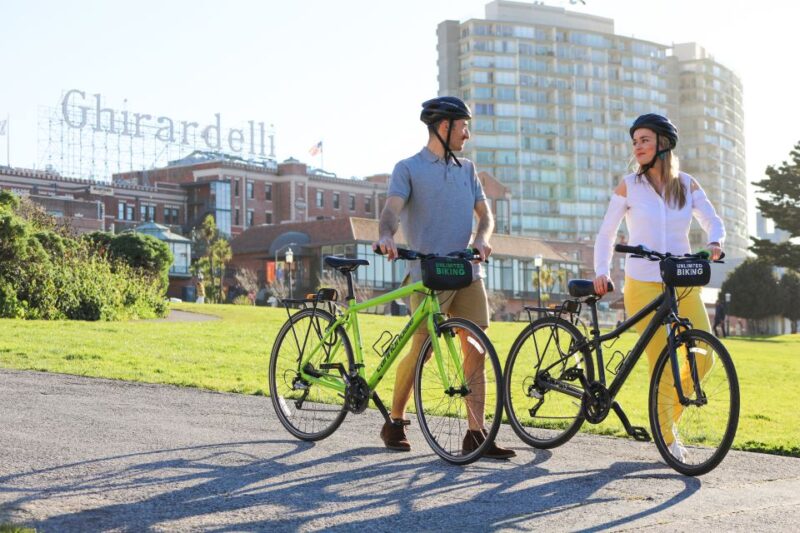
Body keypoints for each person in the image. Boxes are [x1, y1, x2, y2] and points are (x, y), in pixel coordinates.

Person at [373, 96, 515, 459]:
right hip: (428, 273)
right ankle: (395, 420)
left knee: (477, 348)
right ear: (443, 126)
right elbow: (391, 210)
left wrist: (482, 240)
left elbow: (486, 216)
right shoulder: (408, 168)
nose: (467, 133)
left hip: (466, 271)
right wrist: (387, 235)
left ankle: (475, 433)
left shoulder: (468, 170)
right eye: (463, 126)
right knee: (422, 351)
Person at [593, 113, 725, 463]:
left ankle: (663, 418)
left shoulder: (687, 184)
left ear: (663, 143)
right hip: (643, 283)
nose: (637, 147)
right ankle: (667, 437)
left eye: (645, 140)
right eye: (635, 141)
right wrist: (601, 271)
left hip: (682, 281)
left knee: (704, 357)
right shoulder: (628, 186)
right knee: (662, 362)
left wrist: (715, 242)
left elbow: (712, 219)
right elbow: (607, 232)